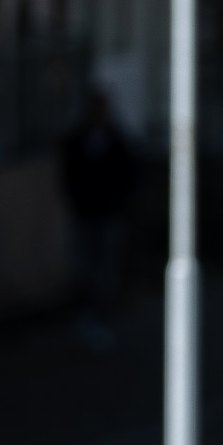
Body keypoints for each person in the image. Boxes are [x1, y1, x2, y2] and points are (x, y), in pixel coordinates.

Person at [59, 89, 137, 352]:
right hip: (85, 214)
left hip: (109, 216)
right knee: (83, 268)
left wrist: (119, 205)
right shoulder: (78, 138)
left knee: (105, 269)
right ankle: (85, 316)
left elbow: (130, 174)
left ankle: (102, 318)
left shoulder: (117, 139)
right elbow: (68, 172)